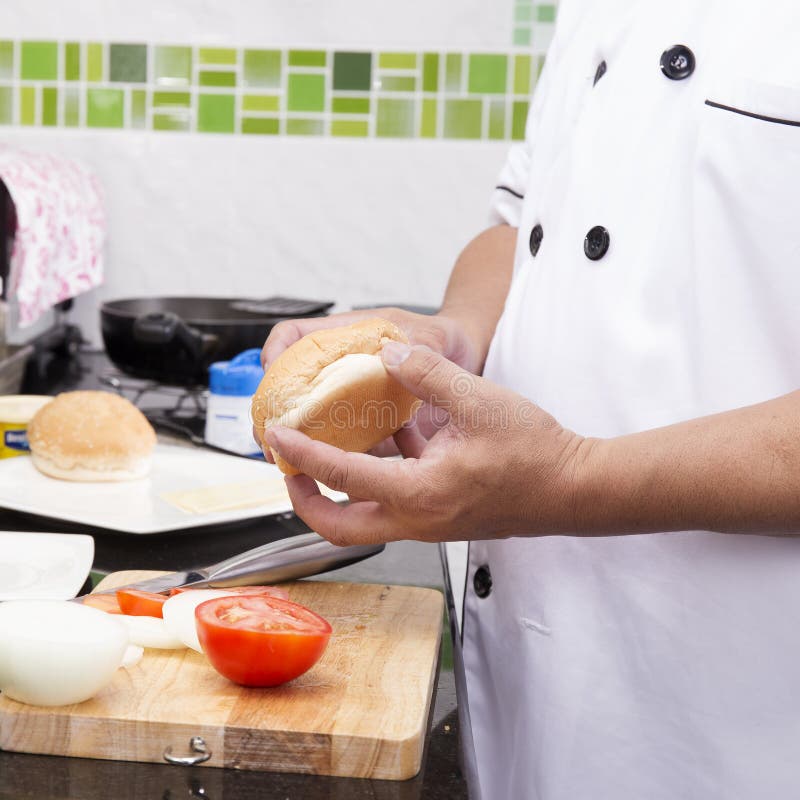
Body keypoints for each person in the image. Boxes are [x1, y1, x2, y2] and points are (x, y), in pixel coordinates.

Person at [260, 3, 800, 798]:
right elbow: (525, 223)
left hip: (737, 712)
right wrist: (452, 336)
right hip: (530, 681)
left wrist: (573, 477)